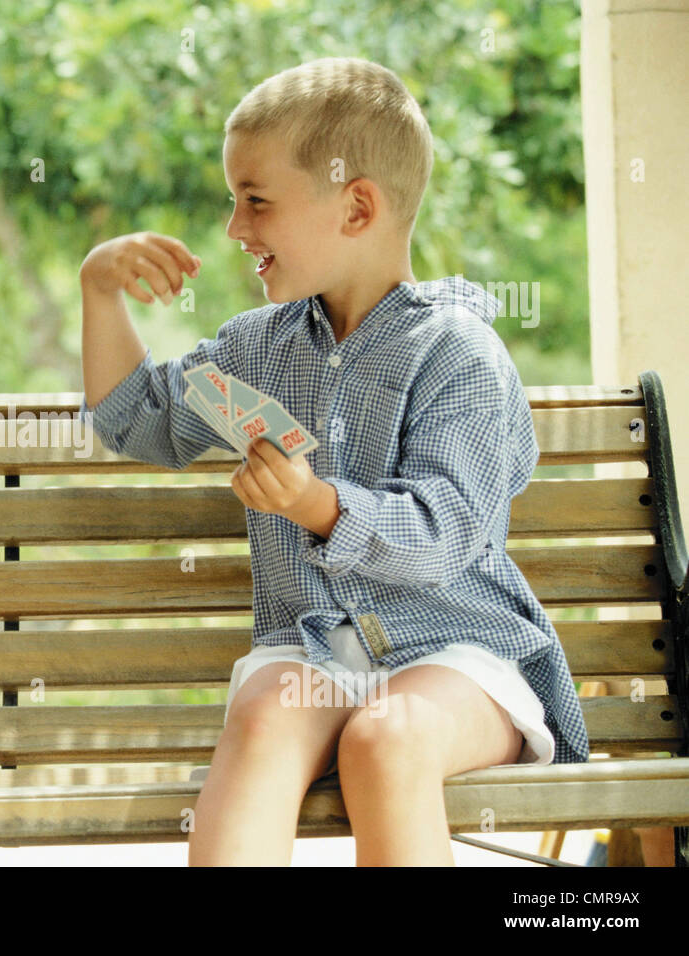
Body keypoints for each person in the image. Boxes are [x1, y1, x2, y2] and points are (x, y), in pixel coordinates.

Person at [77, 57, 589, 866]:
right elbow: (140, 420)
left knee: (387, 740)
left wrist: (315, 504)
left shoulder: (458, 354)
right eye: (234, 200)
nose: (235, 228)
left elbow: (444, 534)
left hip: (459, 654)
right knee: (263, 718)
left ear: (357, 207)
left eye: (256, 200)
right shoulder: (257, 349)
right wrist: (99, 291)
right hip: (317, 651)